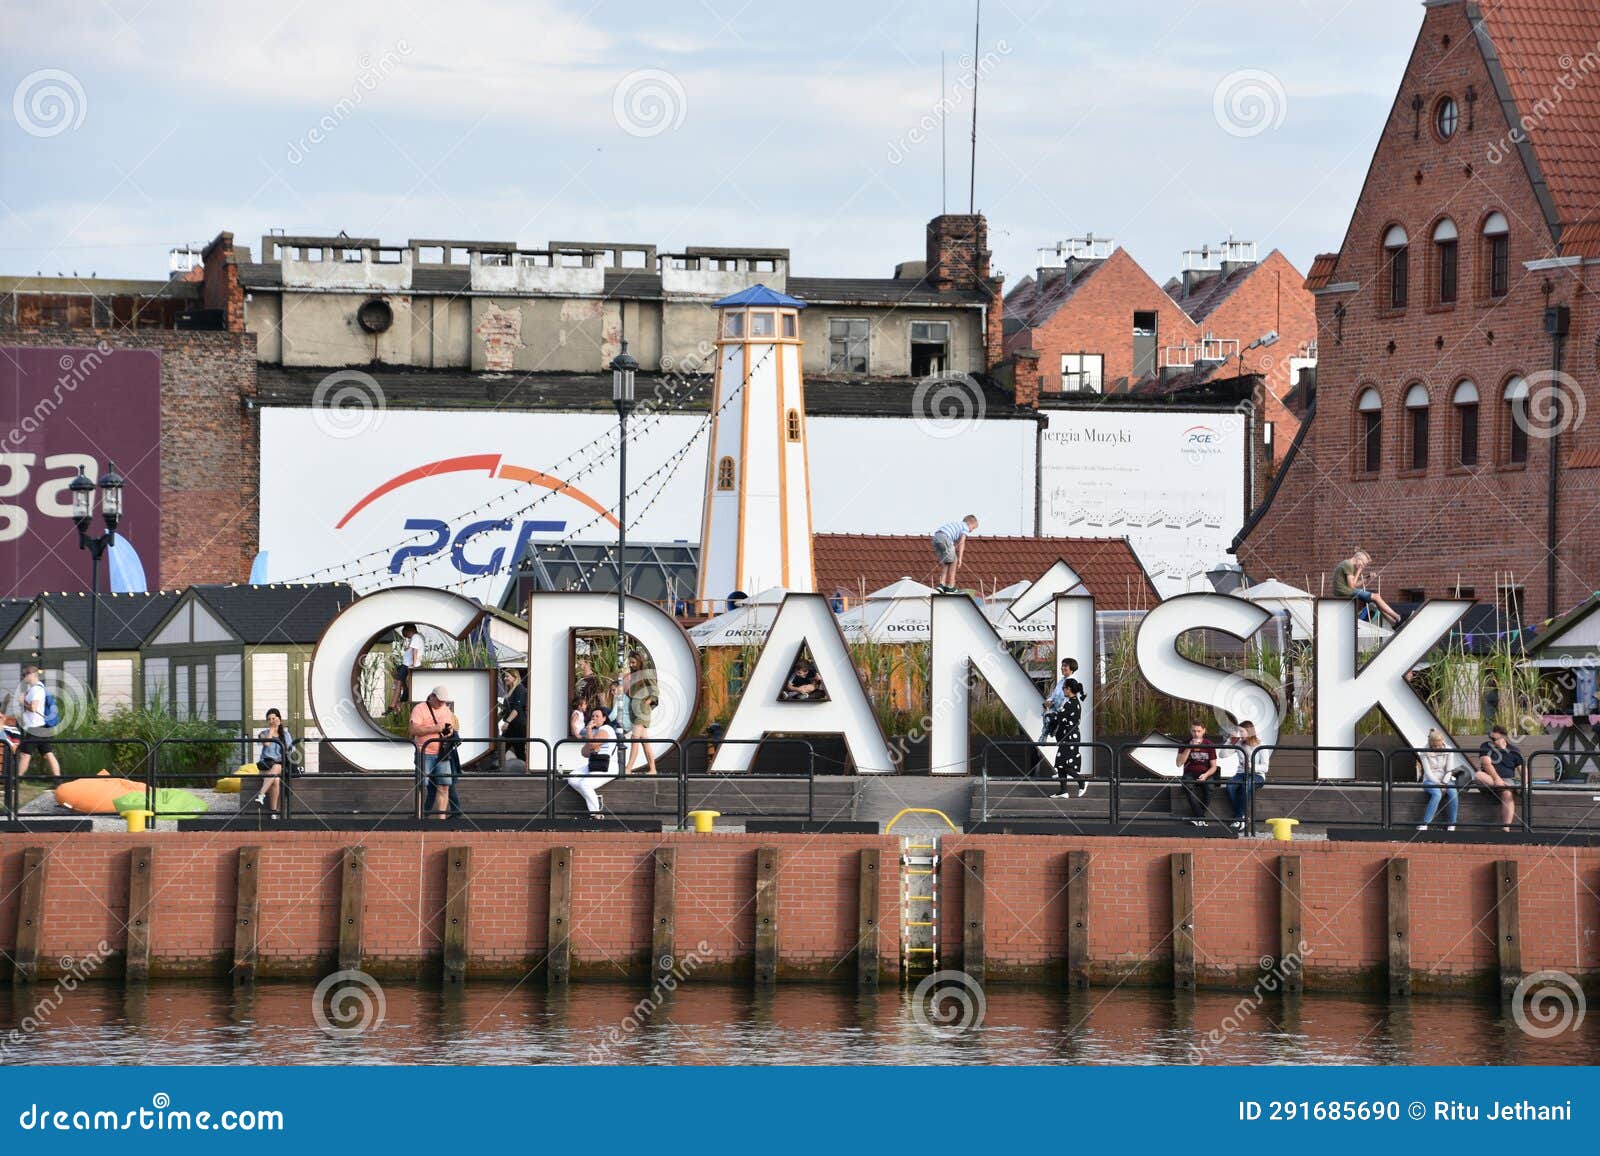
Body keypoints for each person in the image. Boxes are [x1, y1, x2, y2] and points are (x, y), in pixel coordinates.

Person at [410, 684, 459, 820]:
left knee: (444, 785)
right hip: (424, 753)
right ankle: (419, 815)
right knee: (422, 785)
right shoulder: (419, 708)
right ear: (431, 696)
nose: (441, 703)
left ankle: (441, 818)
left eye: (443, 701)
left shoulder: (446, 710)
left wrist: (449, 732)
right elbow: (413, 730)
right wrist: (435, 728)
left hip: (442, 753)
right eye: (439, 700)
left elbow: (450, 728)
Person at [1044, 657, 1088, 799]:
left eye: (1064, 688)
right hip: (1066, 735)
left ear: (1069, 689)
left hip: (1070, 736)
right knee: (1060, 763)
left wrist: (1049, 715)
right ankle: (1063, 790)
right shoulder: (1070, 701)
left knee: (1063, 763)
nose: (1062, 690)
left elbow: (1059, 717)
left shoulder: (1071, 704)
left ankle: (1081, 780)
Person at [1332, 549, 1401, 626]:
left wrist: (1367, 577)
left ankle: (1392, 622)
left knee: (1375, 601)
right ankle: (1397, 617)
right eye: (1363, 563)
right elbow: (1352, 586)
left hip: (1345, 590)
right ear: (1358, 559)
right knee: (1376, 597)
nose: (1363, 566)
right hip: (1344, 591)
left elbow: (1354, 584)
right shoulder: (1348, 565)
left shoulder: (1349, 565)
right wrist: (1359, 571)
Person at [15, 666, 61, 780]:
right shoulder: (35, 688)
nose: (23, 677)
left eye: (24, 674)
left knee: (25, 755)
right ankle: (58, 780)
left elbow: (33, 708)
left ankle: (16, 781)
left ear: (32, 674)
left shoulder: (36, 689)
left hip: (35, 727)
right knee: (48, 754)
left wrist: (23, 702)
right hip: (40, 727)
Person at [1475, 724, 1524, 831]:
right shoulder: (1486, 746)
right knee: (1479, 775)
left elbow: (1523, 770)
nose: (1492, 741)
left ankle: (1506, 827)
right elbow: (1486, 763)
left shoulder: (1514, 750)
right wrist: (1497, 779)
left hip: (1508, 780)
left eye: (1494, 739)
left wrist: (1525, 783)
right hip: (1490, 779)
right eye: (1490, 738)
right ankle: (1508, 787)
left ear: (1504, 738)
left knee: (1507, 793)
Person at [1225, 721, 1270, 834]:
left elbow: (1265, 767)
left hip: (1257, 775)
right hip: (1241, 774)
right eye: (1238, 731)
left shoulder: (1261, 745)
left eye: (1241, 731)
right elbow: (1222, 755)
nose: (1239, 734)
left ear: (1249, 732)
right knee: (1230, 786)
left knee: (1246, 786)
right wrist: (1229, 741)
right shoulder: (1239, 744)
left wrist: (1251, 766)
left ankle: (1239, 819)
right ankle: (1241, 816)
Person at [249, 708, 296, 815]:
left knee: (277, 767)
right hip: (266, 766)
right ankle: (274, 813)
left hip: (280, 766)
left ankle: (261, 794)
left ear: (279, 719)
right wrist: (272, 729)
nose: (271, 721)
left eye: (273, 718)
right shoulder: (263, 734)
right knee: (276, 780)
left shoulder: (286, 734)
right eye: (269, 719)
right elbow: (267, 743)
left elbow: (291, 750)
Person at [577, 706, 618, 817]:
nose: (594, 718)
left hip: (608, 765)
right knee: (572, 778)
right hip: (595, 764)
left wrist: (589, 731)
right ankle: (595, 799)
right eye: (593, 716)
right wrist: (591, 740)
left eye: (597, 716)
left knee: (585, 784)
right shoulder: (595, 732)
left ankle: (596, 814)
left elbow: (592, 745)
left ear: (604, 718)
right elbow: (584, 753)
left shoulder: (606, 729)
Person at [1175, 721, 1219, 826]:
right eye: (1194, 731)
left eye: (1199, 731)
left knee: (1210, 788)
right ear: (1190, 731)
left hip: (1205, 772)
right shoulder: (1185, 743)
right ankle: (1201, 818)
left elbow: (1214, 767)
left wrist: (1206, 775)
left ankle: (1198, 818)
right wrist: (1189, 747)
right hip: (1189, 772)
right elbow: (1179, 763)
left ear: (1204, 731)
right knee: (1188, 786)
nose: (1196, 734)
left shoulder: (1209, 744)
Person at [624, 652, 659, 776]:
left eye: (633, 662)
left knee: (634, 738)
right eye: (630, 662)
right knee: (645, 741)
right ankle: (653, 769)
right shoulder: (634, 675)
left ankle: (628, 768)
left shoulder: (646, 673)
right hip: (634, 709)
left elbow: (655, 691)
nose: (631, 665)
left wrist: (647, 702)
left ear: (639, 661)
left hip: (642, 710)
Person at [1416, 727, 1458, 831]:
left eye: (1439, 746)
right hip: (1430, 780)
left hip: (1445, 779)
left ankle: (1452, 824)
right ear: (1430, 743)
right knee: (1437, 794)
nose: (1437, 748)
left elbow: (1449, 769)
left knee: (1453, 793)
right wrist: (1438, 784)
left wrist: (1443, 782)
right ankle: (1425, 823)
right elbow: (1427, 772)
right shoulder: (1423, 752)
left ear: (1442, 742)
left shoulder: (1449, 750)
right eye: (1434, 746)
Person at [931, 514, 978, 593]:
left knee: (947, 561)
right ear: (969, 523)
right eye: (973, 528)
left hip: (936, 538)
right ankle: (951, 586)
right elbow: (962, 543)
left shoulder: (958, 525)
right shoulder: (965, 527)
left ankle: (942, 584)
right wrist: (960, 558)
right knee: (954, 560)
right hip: (945, 537)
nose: (971, 531)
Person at [389, 624, 422, 713]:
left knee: (399, 682)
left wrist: (413, 665)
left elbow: (415, 651)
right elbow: (413, 650)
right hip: (406, 664)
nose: (407, 638)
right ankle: (394, 704)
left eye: (407, 635)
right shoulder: (415, 638)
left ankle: (394, 704)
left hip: (408, 664)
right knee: (399, 681)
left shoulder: (415, 637)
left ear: (409, 631)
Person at [499, 668, 528, 770]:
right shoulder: (509, 690)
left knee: (519, 750)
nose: (505, 678)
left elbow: (517, 709)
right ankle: (499, 769)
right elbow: (505, 710)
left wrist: (507, 722)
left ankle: (526, 771)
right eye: (504, 676)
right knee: (501, 747)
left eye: (507, 676)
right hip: (511, 726)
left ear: (515, 677)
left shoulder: (519, 689)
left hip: (518, 725)